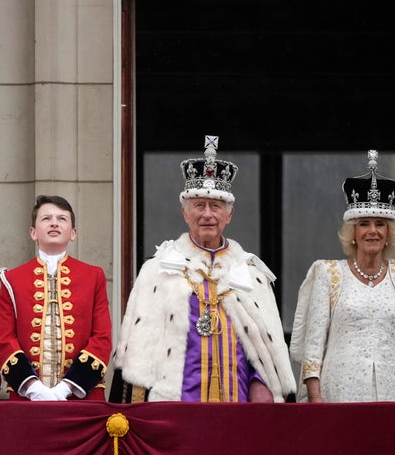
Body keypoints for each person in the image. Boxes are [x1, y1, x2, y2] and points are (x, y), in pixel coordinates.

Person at [110, 135, 294, 403]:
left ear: (228, 215)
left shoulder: (251, 273)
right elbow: (137, 348)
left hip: (238, 406)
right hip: (176, 406)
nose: (207, 214)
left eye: (215, 206)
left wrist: (262, 383)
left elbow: (267, 347)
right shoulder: (157, 270)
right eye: (199, 206)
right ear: (185, 213)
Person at [289, 151, 395, 402]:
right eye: (364, 223)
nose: (372, 231)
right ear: (353, 231)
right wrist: (316, 399)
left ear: (388, 232)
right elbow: (313, 347)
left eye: (380, 224)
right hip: (339, 394)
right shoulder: (329, 274)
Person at [0, 196, 112, 401]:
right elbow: (5, 340)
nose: (54, 223)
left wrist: (66, 388)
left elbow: (102, 338)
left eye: (62, 219)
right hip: (27, 397)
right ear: (33, 232)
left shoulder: (94, 276)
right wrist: (33, 388)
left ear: (73, 233)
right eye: (46, 218)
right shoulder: (11, 280)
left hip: (82, 397)